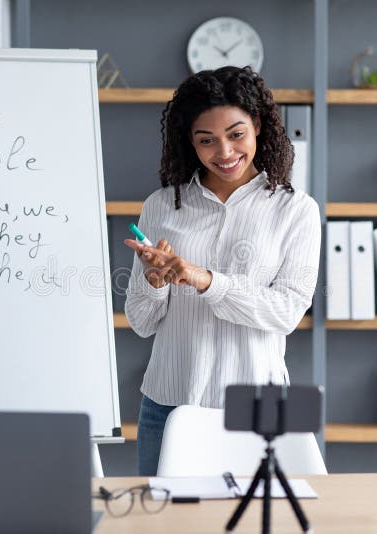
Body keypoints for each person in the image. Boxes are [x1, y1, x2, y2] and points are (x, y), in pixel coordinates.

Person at [124, 66, 321, 476]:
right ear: (189, 143)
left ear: (259, 127)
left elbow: (285, 311)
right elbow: (141, 322)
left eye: (236, 134)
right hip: (168, 405)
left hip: (257, 411)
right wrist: (154, 282)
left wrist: (205, 280)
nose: (225, 152)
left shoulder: (295, 210)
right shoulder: (161, 206)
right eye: (206, 140)